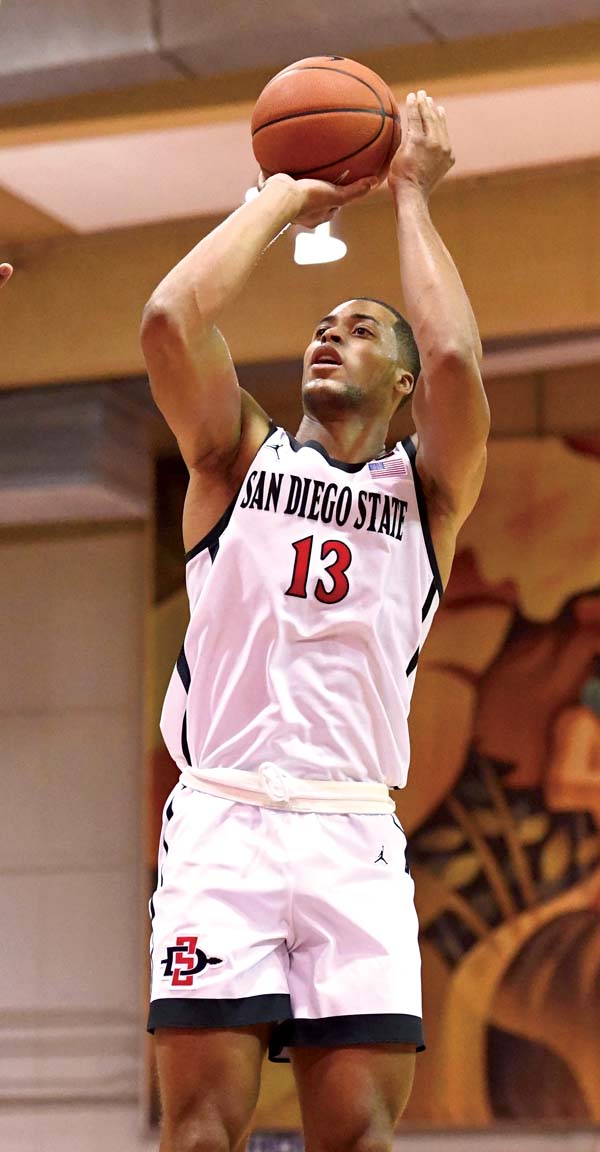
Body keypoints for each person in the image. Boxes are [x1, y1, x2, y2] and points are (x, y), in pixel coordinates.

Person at [141, 90, 489, 1152]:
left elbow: (461, 367)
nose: (331, 336)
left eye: (362, 328)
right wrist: (277, 199)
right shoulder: (236, 458)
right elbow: (169, 322)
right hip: (223, 825)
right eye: (320, 325)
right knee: (201, 1133)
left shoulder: (425, 497)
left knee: (362, 1139)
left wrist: (413, 197)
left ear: (398, 378)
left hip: (350, 831)